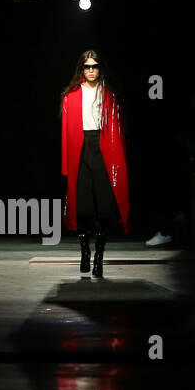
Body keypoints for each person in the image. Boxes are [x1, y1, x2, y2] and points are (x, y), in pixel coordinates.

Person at [59, 50, 130, 278]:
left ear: (100, 68)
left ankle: (99, 257)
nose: (91, 70)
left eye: (95, 66)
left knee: (104, 207)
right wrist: (66, 165)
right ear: (82, 68)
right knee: (82, 208)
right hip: (80, 151)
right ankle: (84, 252)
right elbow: (66, 135)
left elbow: (117, 132)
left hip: (102, 150)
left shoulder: (109, 95)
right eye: (87, 66)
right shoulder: (70, 96)